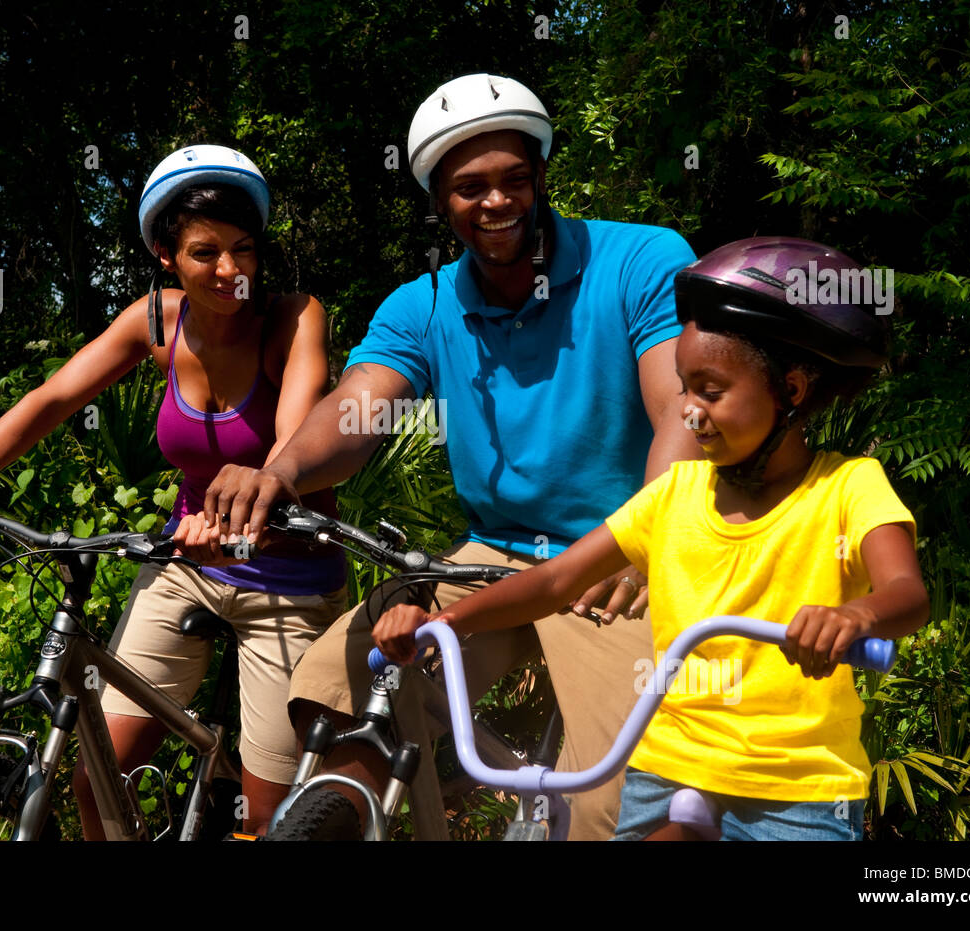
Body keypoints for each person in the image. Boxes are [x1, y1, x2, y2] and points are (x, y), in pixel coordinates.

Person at [204, 75, 699, 839]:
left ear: (541, 177)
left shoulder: (640, 259)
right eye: (469, 188)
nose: (495, 202)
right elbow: (358, 409)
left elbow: (682, 411)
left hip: (616, 561)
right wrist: (282, 471)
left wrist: (653, 533)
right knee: (340, 689)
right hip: (489, 557)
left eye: (513, 179)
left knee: (607, 799)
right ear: (440, 200)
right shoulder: (425, 303)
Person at [373, 236, 930, 840]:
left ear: (790, 391)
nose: (688, 411)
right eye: (684, 388)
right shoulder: (675, 495)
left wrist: (855, 617)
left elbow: (907, 593)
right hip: (667, 772)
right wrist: (449, 625)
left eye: (710, 392)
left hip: (796, 793)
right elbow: (556, 579)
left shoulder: (849, 487)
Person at [0, 144, 347, 836]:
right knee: (96, 777)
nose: (230, 270)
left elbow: (293, 440)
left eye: (244, 249)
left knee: (273, 820)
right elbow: (52, 396)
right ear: (165, 256)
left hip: (287, 579)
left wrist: (254, 503)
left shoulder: (293, 319)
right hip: (185, 563)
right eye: (205, 253)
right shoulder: (152, 321)